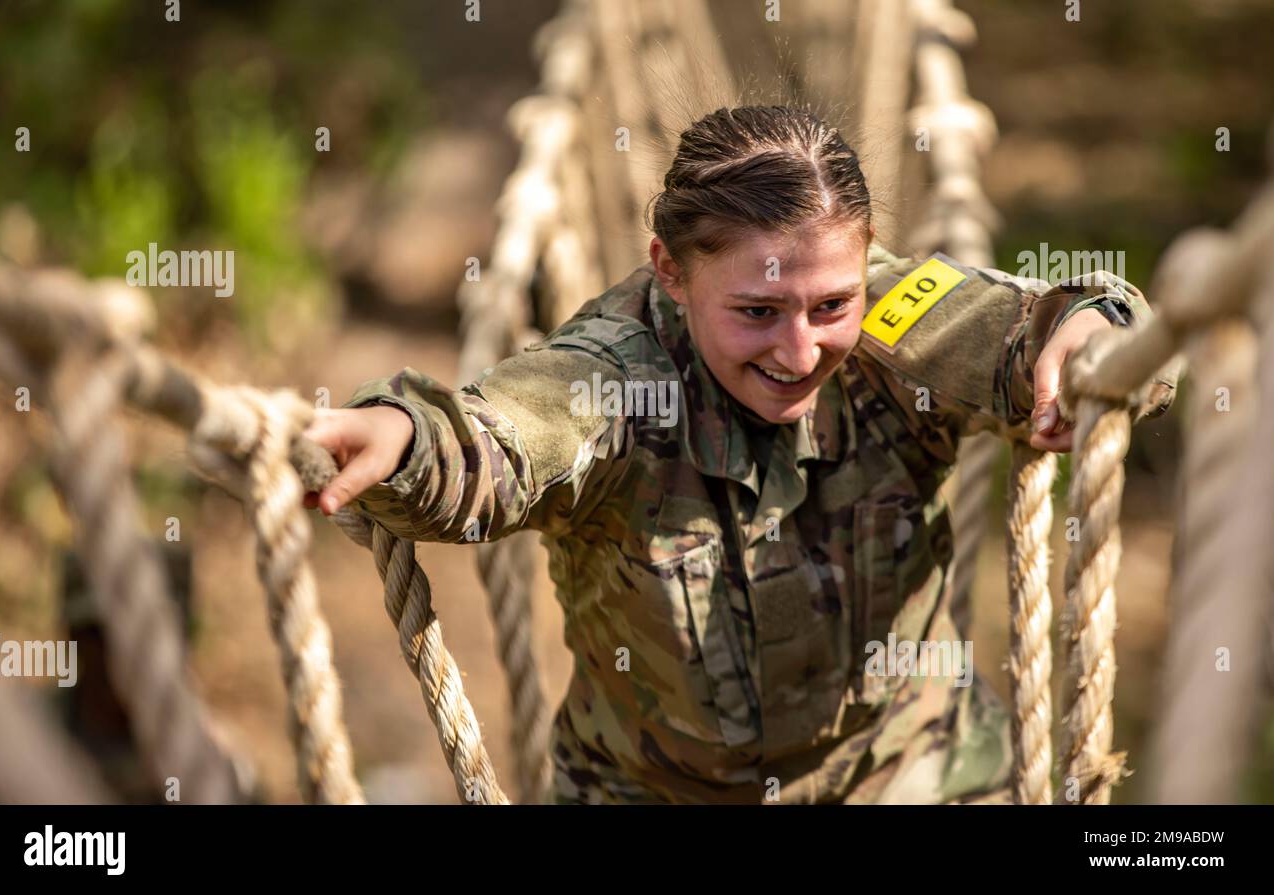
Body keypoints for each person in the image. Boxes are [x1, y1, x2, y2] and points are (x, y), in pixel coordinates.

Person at [301, 105, 1176, 804]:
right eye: (758, 311)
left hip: (913, 772)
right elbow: (503, 437)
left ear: (868, 263)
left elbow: (1037, 324)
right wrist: (407, 439)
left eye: (830, 304)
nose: (800, 353)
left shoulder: (897, 322)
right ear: (671, 273)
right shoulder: (616, 373)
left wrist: (1089, 331)